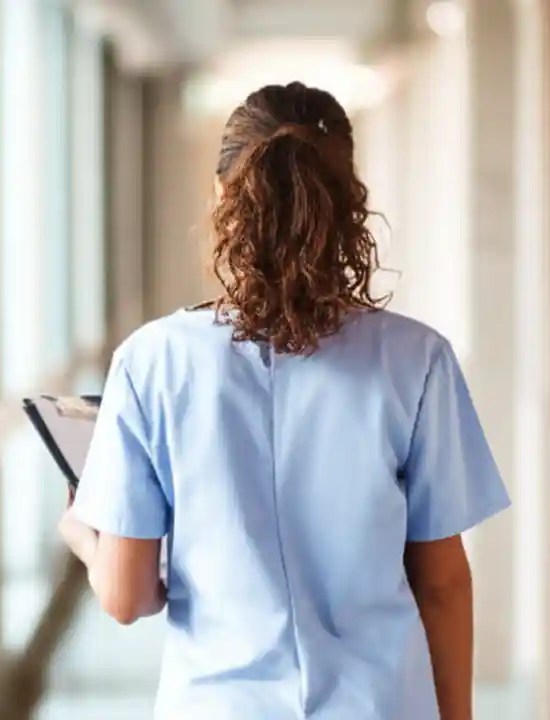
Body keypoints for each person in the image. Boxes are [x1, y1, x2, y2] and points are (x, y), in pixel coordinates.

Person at [58, 81, 509, 720]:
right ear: (349, 201)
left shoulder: (151, 362)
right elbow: (441, 583)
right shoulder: (416, 360)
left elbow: (127, 596)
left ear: (221, 197)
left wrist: (82, 532)